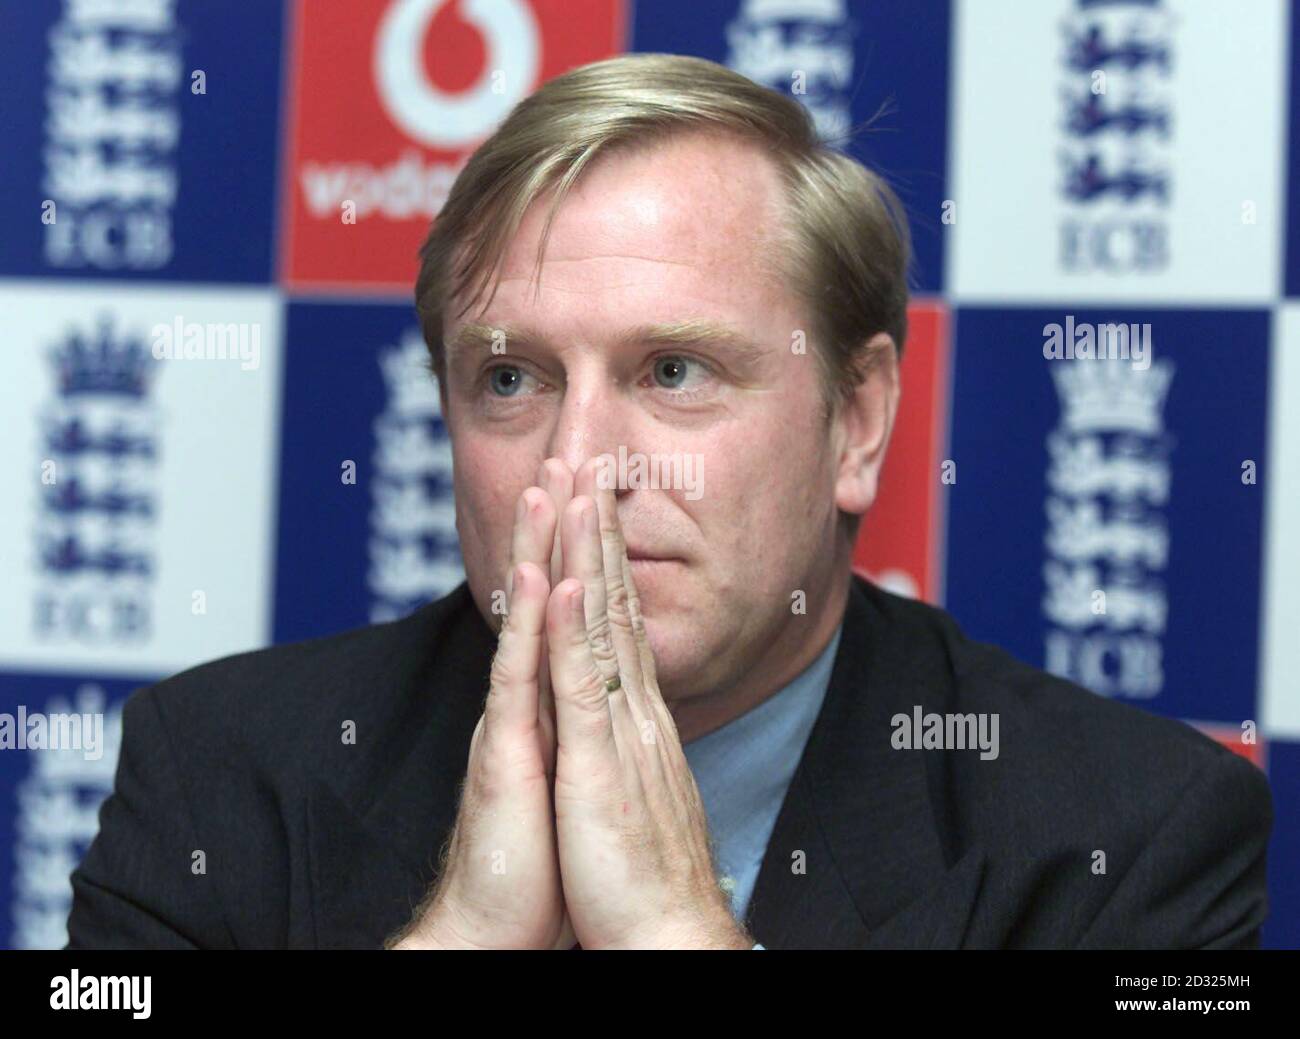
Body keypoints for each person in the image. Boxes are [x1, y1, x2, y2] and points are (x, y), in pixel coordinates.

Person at [66, 53, 1272, 950]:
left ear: (856, 422)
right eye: (509, 378)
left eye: (675, 372)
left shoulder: (1130, 838)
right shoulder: (216, 770)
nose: (579, 459)